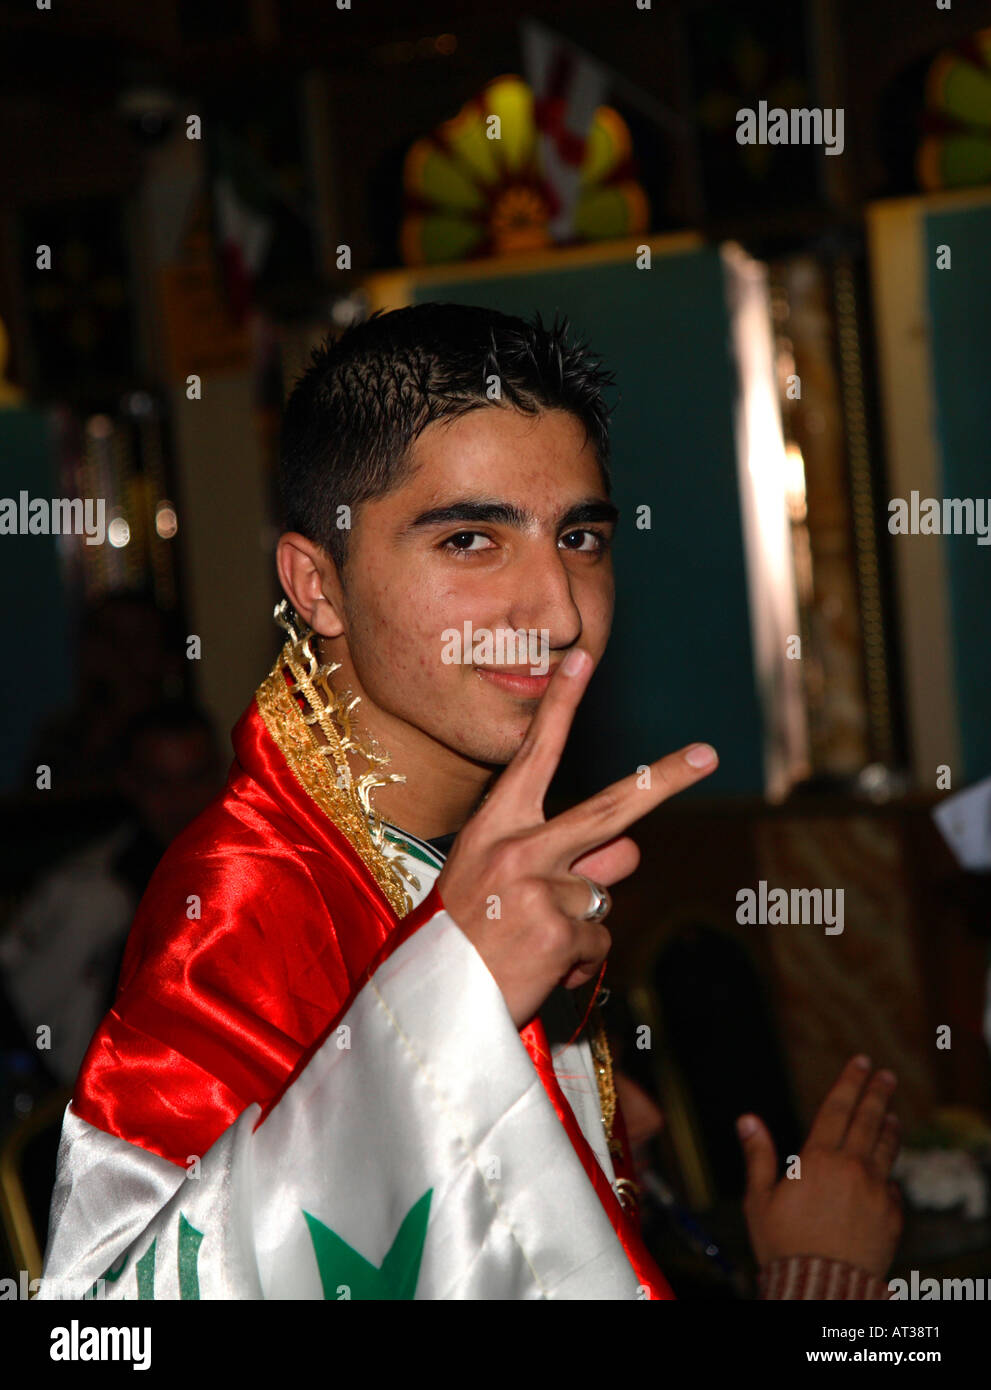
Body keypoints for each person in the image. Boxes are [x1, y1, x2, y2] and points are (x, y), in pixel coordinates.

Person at [40, 305, 901, 1300]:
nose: (558, 609)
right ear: (316, 586)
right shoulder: (248, 903)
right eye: (469, 539)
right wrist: (818, 1286)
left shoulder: (466, 852)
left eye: (579, 535)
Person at [1, 701, 222, 1087]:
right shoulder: (89, 893)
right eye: (160, 782)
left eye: (194, 778)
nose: (180, 800)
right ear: (131, 782)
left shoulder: (251, 870)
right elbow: (25, 1026)